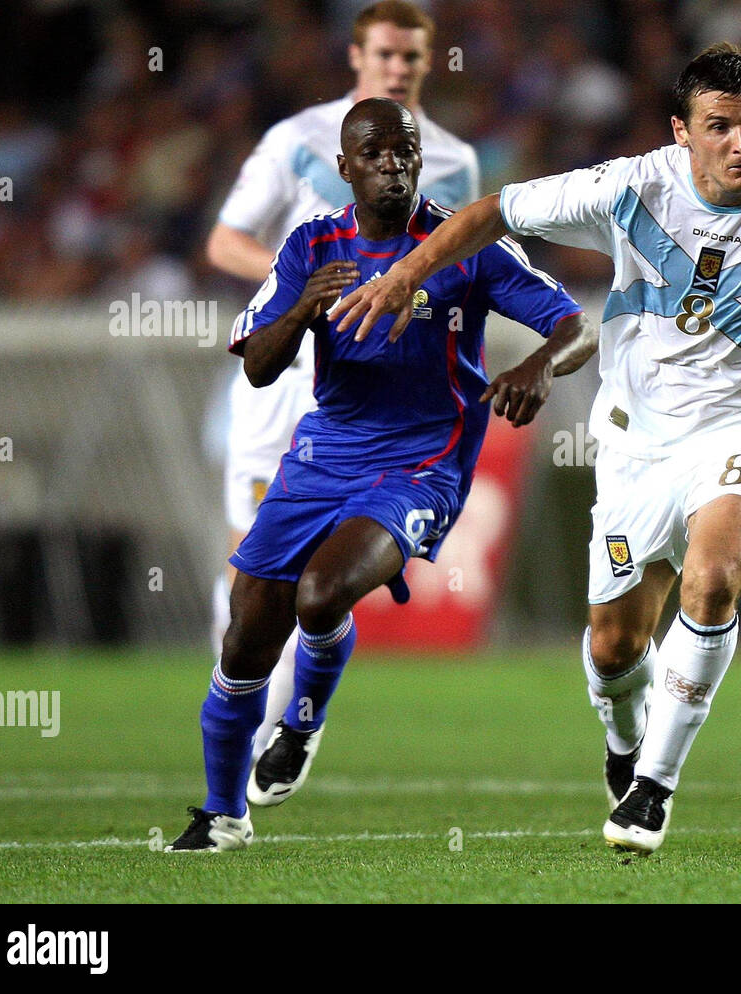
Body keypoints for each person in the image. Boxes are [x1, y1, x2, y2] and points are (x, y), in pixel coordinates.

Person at [326, 44, 741, 855]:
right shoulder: (627, 187)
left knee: (715, 578)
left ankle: (654, 786)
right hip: (637, 443)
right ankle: (624, 745)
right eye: (720, 127)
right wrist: (404, 276)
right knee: (616, 649)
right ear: (682, 132)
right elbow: (493, 212)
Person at [166, 98, 593, 851]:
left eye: (405, 152)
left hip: (423, 460)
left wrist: (535, 366)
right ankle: (222, 814)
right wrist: (302, 307)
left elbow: (575, 323)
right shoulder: (310, 246)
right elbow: (259, 368)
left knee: (322, 592)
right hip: (324, 450)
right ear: (345, 167)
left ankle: (302, 722)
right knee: (245, 633)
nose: (392, 165)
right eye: (375, 154)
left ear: (420, 160)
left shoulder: (465, 244)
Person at [206, 0, 480, 765]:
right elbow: (226, 240)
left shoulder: (453, 159)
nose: (399, 68)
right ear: (358, 57)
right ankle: (249, 733)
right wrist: (306, 296)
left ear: (428, 63)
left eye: (413, 59)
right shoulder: (296, 139)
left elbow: (457, 268)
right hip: (289, 374)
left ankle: (287, 731)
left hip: (381, 396)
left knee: (322, 586)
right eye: (386, 55)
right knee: (252, 577)